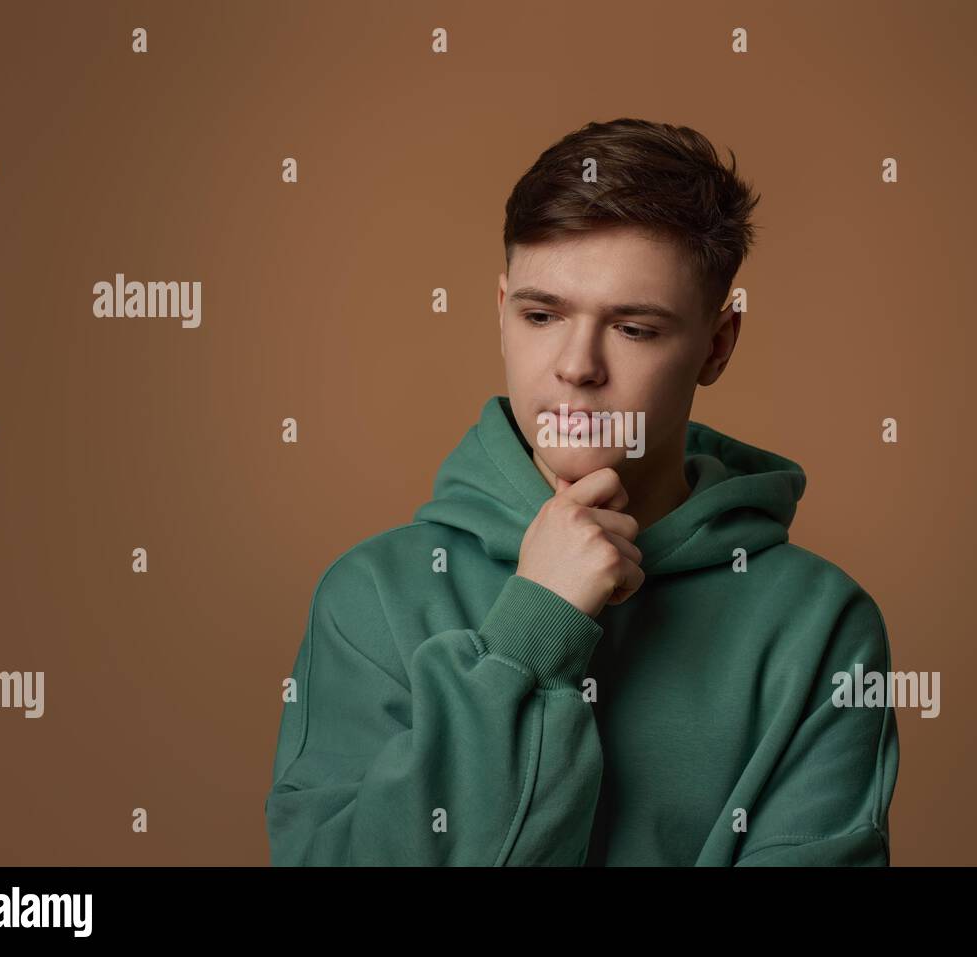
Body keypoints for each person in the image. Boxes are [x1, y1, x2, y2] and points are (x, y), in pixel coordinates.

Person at [265, 118, 899, 865]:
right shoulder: (369, 596)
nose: (577, 365)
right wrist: (535, 630)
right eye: (541, 315)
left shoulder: (821, 625)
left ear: (717, 345)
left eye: (633, 328)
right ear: (500, 313)